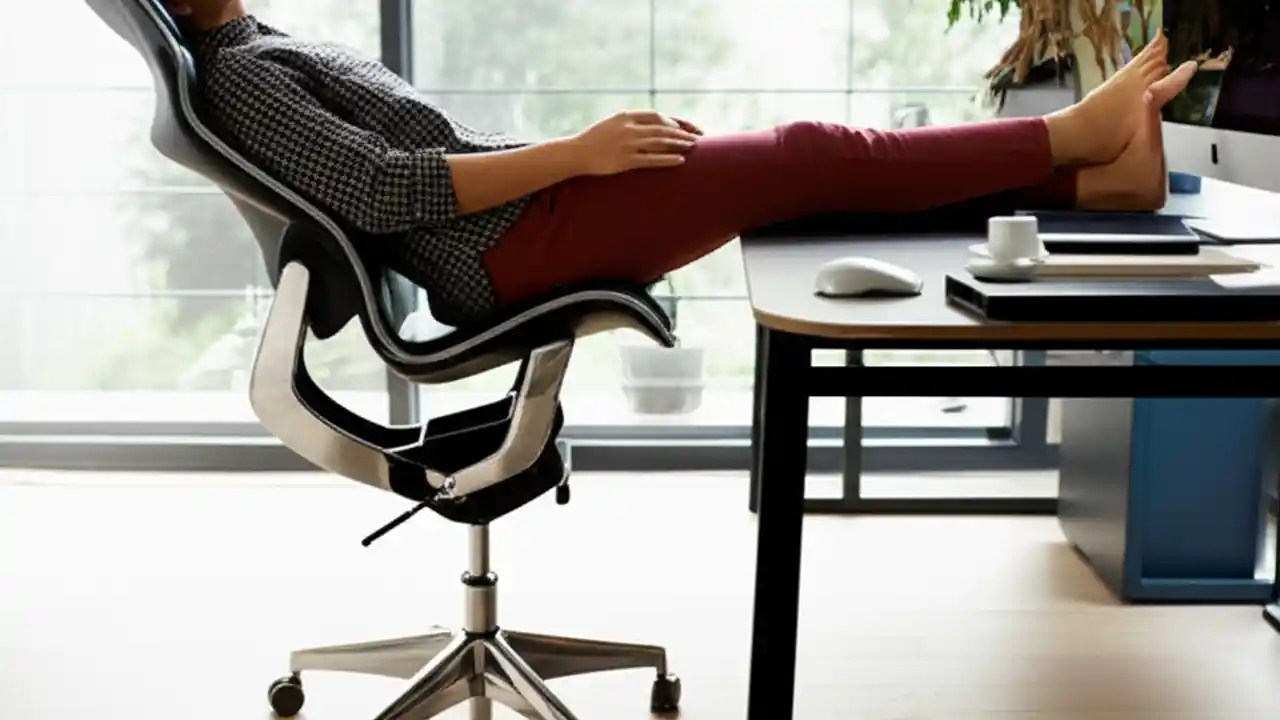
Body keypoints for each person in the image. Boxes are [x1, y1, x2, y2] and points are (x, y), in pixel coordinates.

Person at [164, 0, 1198, 327]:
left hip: (523, 217)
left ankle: (1093, 184)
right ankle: (1070, 140)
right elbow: (386, 187)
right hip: (507, 250)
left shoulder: (260, 38)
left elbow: (410, 158)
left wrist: (575, 161)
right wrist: (575, 155)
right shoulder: (239, 75)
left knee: (807, 179)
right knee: (809, 155)